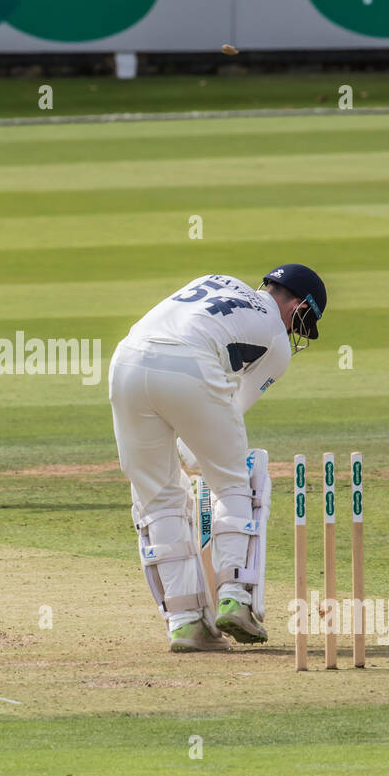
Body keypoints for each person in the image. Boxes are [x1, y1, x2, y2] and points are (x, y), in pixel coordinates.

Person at [108, 264, 327, 651]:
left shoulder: (212, 280)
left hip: (125, 363)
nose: (295, 334)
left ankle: (186, 624)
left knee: (158, 498)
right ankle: (235, 599)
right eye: (300, 324)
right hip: (189, 365)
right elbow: (232, 404)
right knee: (232, 482)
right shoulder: (276, 340)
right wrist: (195, 450)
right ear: (297, 307)